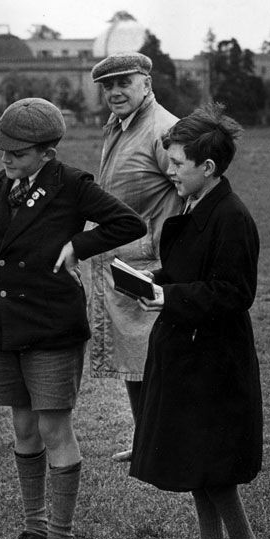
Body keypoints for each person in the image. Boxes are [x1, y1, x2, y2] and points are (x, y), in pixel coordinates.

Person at [0, 98, 146, 539]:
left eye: (18, 154)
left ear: (46, 153)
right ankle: (34, 530)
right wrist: (3, 266)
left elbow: (129, 222)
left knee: (53, 429)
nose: (7, 161)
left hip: (53, 327)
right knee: (23, 429)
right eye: (2, 151)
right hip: (9, 323)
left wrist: (77, 247)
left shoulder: (72, 185)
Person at [129, 103, 267, 539]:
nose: (170, 171)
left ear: (207, 168)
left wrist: (170, 295)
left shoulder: (231, 217)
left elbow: (234, 292)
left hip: (214, 356)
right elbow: (194, 271)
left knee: (214, 458)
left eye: (178, 163)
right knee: (194, 451)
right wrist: (157, 280)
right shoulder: (195, 206)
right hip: (184, 347)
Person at [86, 52, 181, 462]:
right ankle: (146, 440)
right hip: (123, 261)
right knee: (133, 358)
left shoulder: (164, 129)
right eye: (108, 86)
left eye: (124, 82)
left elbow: (190, 190)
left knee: (156, 359)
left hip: (153, 262)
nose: (115, 92)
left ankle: (162, 445)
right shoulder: (120, 126)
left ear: (146, 82)